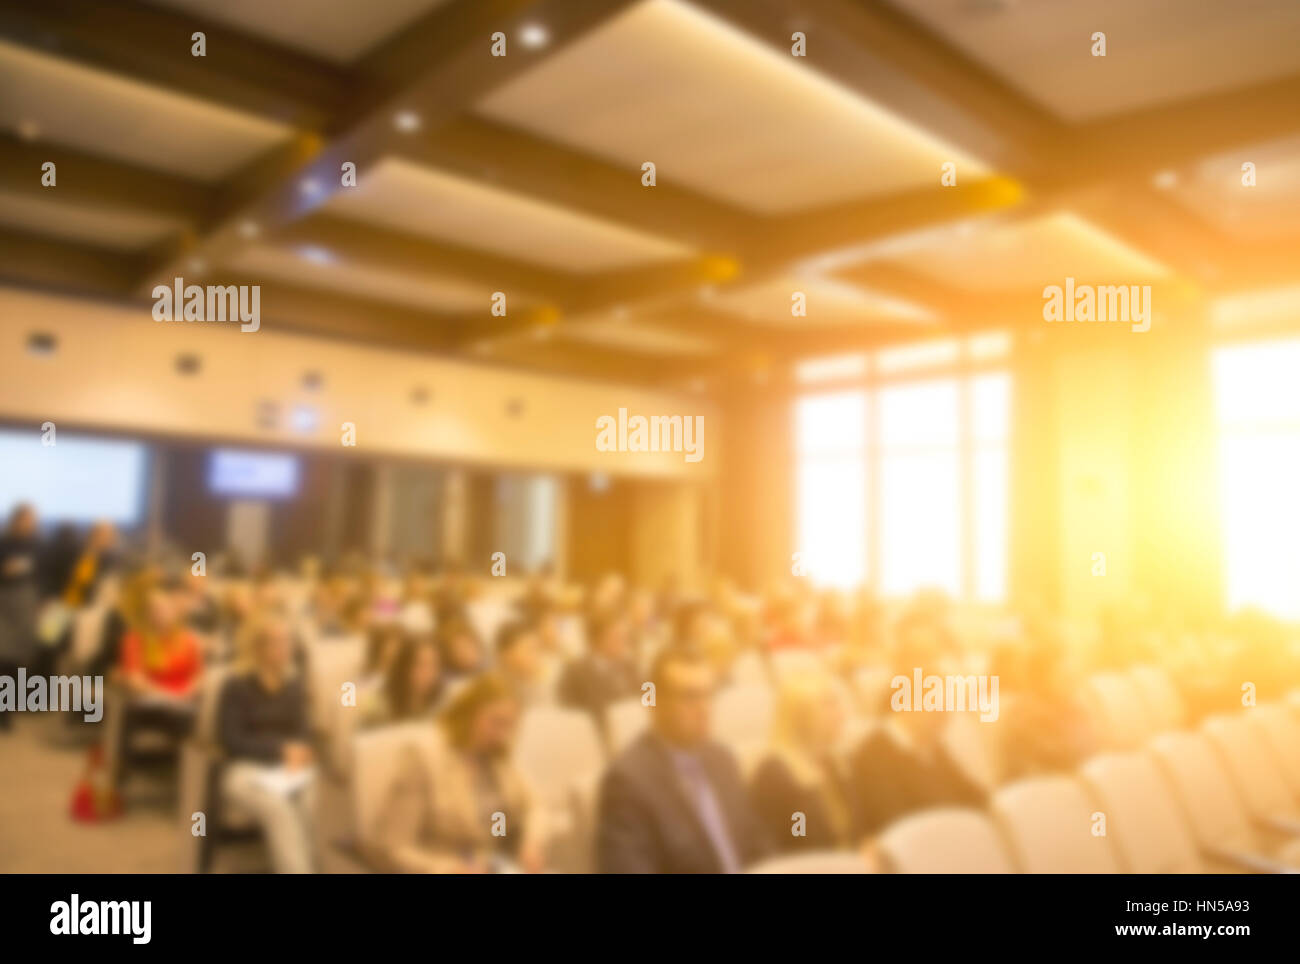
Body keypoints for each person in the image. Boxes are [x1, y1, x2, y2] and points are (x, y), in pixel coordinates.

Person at [596, 646, 769, 873]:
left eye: (709, 694)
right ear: (655, 703)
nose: (705, 707)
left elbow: (755, 839)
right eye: (690, 697)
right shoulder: (627, 782)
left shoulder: (722, 759)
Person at [367, 673, 545, 873]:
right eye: (495, 722)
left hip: (489, 865)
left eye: (509, 726)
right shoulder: (425, 758)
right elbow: (390, 848)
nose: (502, 734)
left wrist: (530, 842)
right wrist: (445, 868)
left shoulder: (496, 756)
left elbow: (531, 805)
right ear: (469, 713)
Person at [217, 614, 316, 874]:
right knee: (278, 810)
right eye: (277, 642)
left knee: (314, 802)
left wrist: (300, 751)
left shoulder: (293, 684)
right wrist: (280, 749)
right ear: (258, 647)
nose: (285, 648)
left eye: (287, 641)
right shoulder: (236, 685)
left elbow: (303, 732)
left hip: (286, 768)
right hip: (245, 770)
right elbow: (232, 741)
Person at [750, 671, 863, 852]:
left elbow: (856, 827)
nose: (841, 713)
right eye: (829, 705)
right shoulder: (778, 775)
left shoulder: (833, 761)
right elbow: (799, 837)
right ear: (801, 716)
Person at [557, 610, 640, 729]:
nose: (623, 642)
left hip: (631, 734)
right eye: (617, 636)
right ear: (597, 639)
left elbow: (647, 694)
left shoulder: (630, 666)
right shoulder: (574, 673)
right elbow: (567, 714)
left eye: (624, 636)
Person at [0, 504, 40, 732]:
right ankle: (3, 713)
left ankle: (10, 707)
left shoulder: (37, 544)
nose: (29, 524)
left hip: (25, 600)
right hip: (4, 599)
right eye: (26, 519)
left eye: (32, 519)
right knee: (3, 657)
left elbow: (41, 572)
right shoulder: (4, 541)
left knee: (18, 658)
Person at [362, 634, 445, 725]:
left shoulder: (443, 703)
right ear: (405, 667)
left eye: (434, 665)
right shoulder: (379, 705)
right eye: (421, 665)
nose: (429, 672)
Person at [494, 620, 554, 707]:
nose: (536, 655)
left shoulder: (551, 680)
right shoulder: (497, 687)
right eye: (528, 649)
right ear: (507, 655)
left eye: (537, 648)